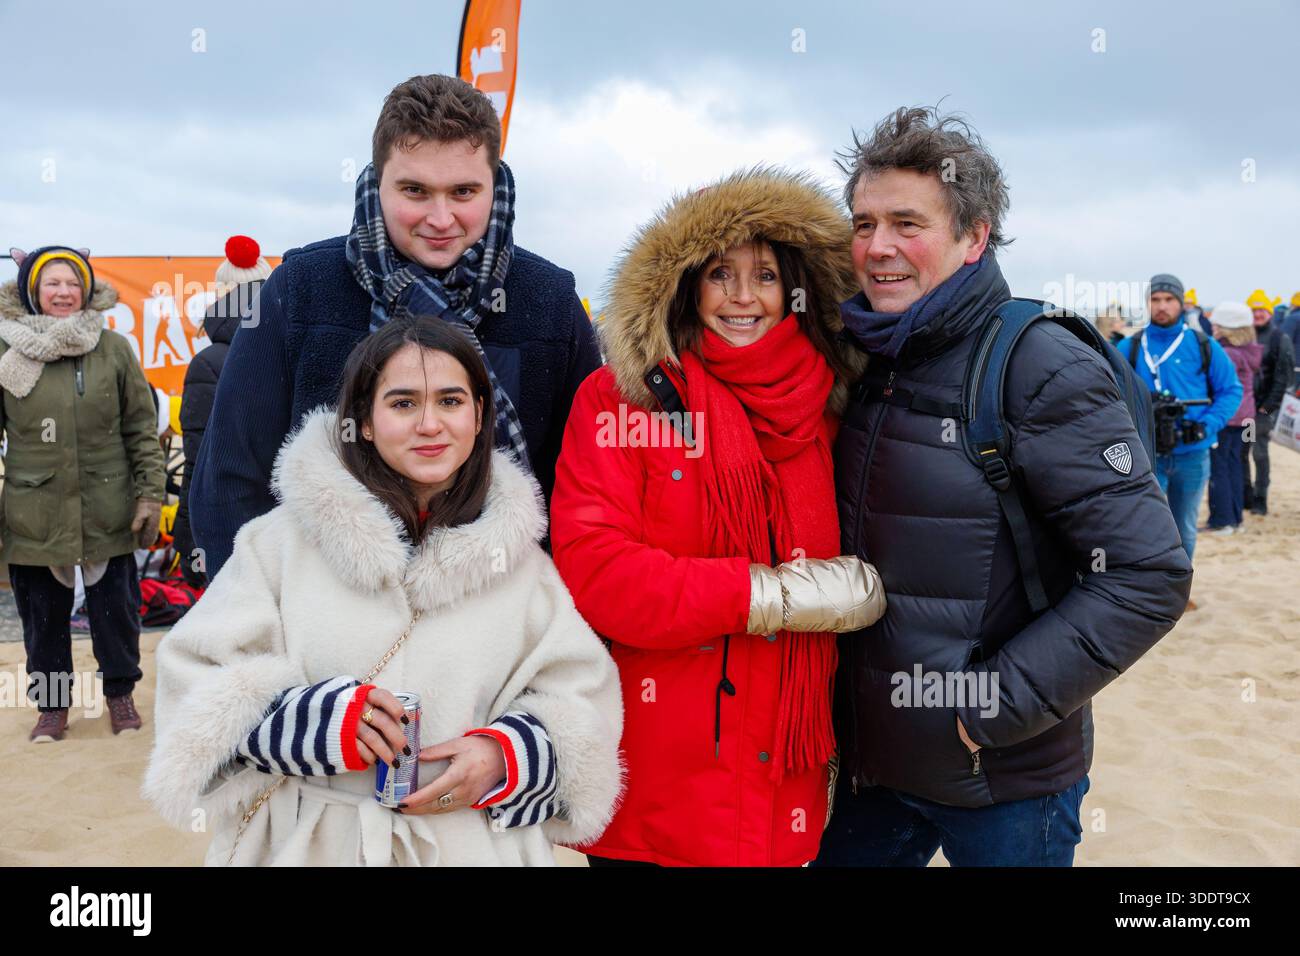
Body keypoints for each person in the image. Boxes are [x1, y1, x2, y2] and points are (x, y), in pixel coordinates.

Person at [815, 107, 1192, 868]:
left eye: (906, 223)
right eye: (862, 223)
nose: (878, 247)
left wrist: (982, 710)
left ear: (974, 236)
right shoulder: (859, 358)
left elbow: (1148, 573)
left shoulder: (1040, 364)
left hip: (1004, 782)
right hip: (869, 771)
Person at [143, 317, 623, 866]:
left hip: (472, 845)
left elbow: (582, 700)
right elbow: (193, 687)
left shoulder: (520, 564)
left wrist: (504, 754)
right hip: (309, 843)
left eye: (450, 400)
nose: (429, 424)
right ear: (364, 423)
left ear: (479, 414)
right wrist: (312, 725)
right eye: (401, 403)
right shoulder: (277, 545)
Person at [549, 168, 886, 867]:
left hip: (784, 784)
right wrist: (772, 596)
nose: (742, 297)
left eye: (764, 275)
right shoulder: (623, 402)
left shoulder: (836, 404)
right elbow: (598, 574)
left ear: (797, 289)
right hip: (657, 791)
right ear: (684, 287)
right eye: (719, 274)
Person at [189, 74, 600, 580]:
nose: (441, 217)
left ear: (496, 184)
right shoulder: (300, 290)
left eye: (464, 191)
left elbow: (583, 487)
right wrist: (253, 617)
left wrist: (551, 615)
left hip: (500, 605)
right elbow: (231, 475)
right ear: (375, 180)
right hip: (323, 610)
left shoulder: (548, 301)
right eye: (415, 191)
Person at [1, 246, 165, 742]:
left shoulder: (112, 349)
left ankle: (120, 696)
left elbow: (141, 428)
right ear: (34, 291)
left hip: (107, 507)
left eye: (73, 283)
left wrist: (149, 495)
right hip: (34, 511)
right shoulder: (8, 354)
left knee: (115, 612)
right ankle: (52, 709)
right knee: (43, 617)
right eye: (52, 283)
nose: (64, 292)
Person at [1116, 276, 1242, 561]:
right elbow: (1108, 393)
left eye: (1169, 299)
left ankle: (1180, 591)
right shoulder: (1129, 347)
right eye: (1155, 299)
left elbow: (1231, 390)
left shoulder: (1202, 344)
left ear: (1181, 303)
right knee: (1148, 528)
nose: (1162, 306)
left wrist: (1206, 425)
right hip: (1146, 454)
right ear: (1147, 303)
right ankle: (1154, 592)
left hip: (1193, 453)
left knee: (1184, 528)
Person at [171, 235, 273, 587]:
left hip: (229, 526)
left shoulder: (209, 363)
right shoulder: (293, 348)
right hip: (294, 528)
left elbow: (200, 463)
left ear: (222, 293)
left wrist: (186, 537)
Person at [1205, 302, 1263, 534]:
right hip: (1246, 416)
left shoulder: (1227, 353)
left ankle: (1223, 520)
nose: (1213, 329)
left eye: (1217, 325)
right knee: (1236, 465)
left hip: (1228, 417)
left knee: (1219, 467)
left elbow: (1215, 383)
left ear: (1226, 328)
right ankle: (1236, 518)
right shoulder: (1250, 350)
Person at [1240, 290, 1295, 515]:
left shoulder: (1278, 338)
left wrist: (1268, 407)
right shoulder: (1244, 338)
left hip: (1262, 410)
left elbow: (1283, 376)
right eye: (1254, 310)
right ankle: (1247, 495)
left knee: (1259, 454)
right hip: (1244, 409)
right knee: (1242, 452)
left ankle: (1261, 499)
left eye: (1262, 310)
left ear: (1269, 313)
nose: (1258, 314)